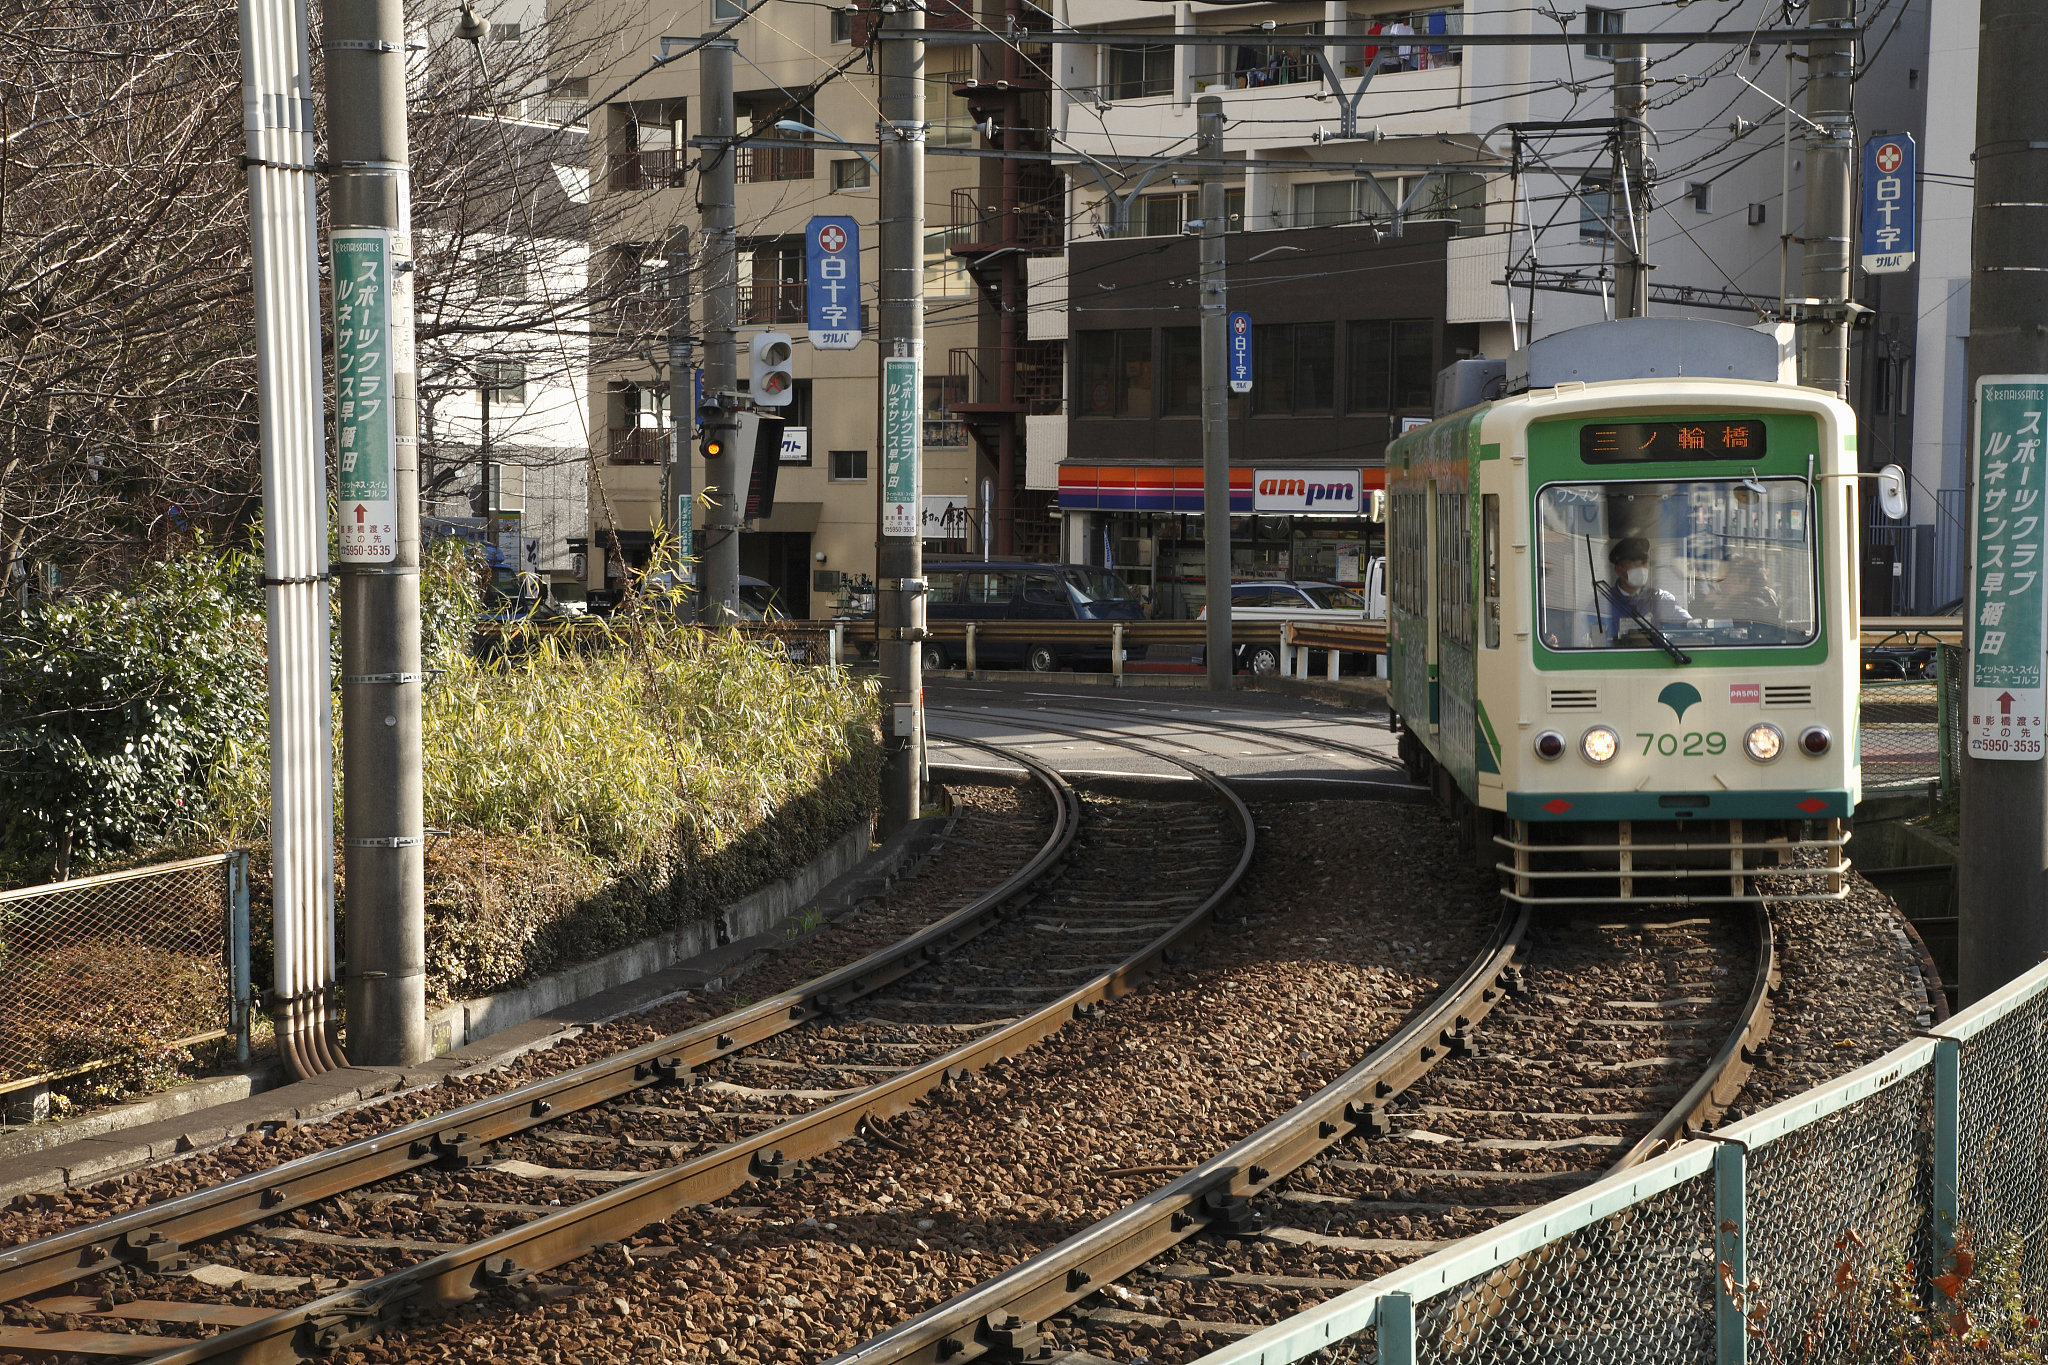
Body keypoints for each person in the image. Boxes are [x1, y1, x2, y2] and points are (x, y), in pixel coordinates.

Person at [1598, 535, 1692, 640]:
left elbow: (1689, 626)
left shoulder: (1660, 599)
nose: (1641, 568)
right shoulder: (1602, 604)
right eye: (1634, 562)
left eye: (1644, 562)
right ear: (1618, 570)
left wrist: (1693, 624)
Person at [1699, 556, 1780, 626]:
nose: (1730, 585)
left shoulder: (1744, 607)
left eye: (1734, 580)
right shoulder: (1763, 598)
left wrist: (1717, 608)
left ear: (1746, 582)